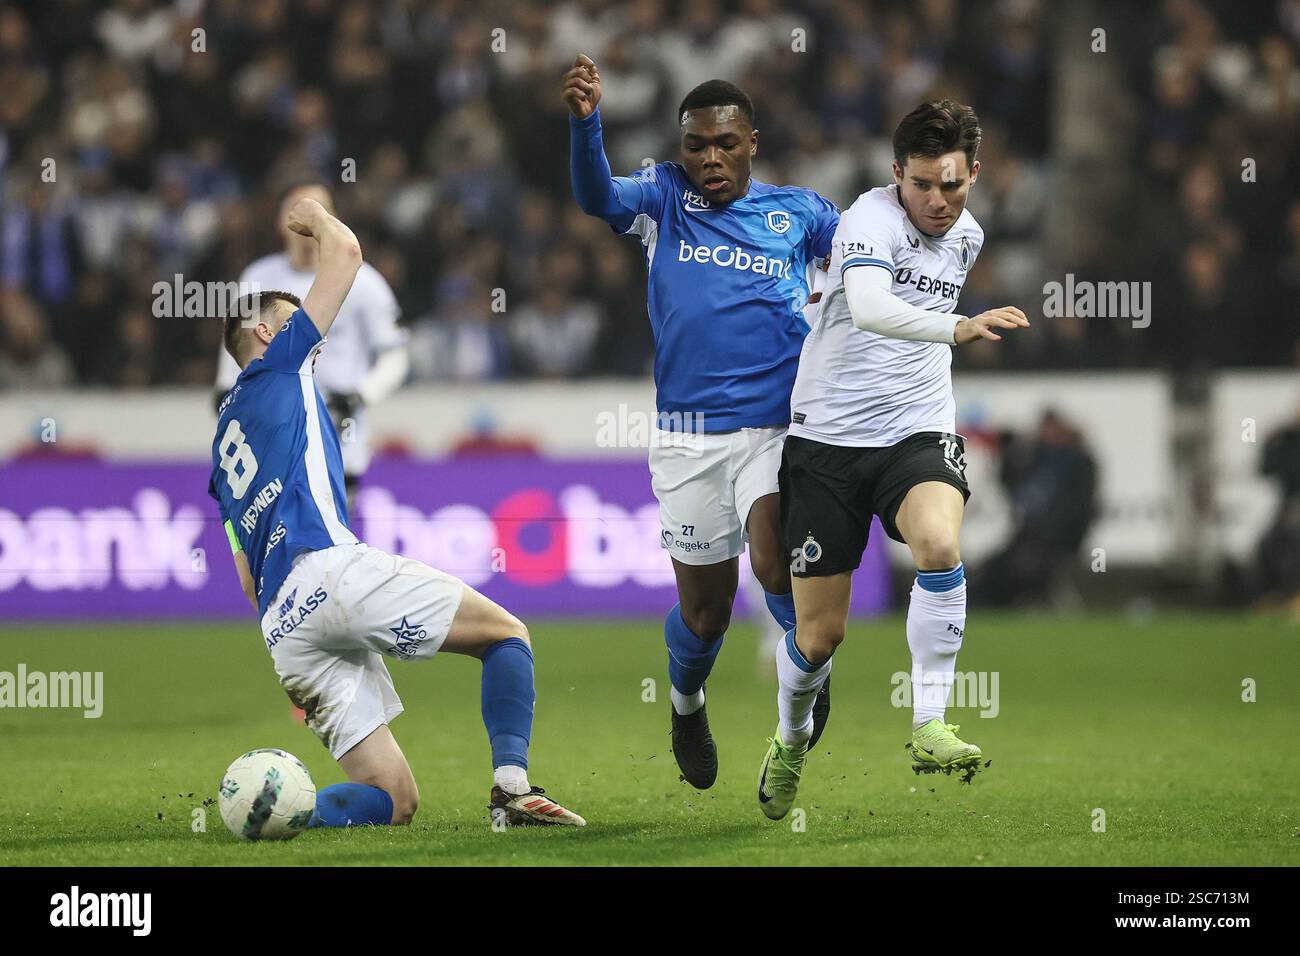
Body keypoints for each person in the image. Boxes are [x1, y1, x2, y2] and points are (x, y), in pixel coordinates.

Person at [209, 197, 584, 829]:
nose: (314, 341)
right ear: (268, 335)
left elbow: (247, 581)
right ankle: (512, 791)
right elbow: (347, 254)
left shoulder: (220, 451)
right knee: (507, 636)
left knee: (394, 801)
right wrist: (314, 214)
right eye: (295, 321)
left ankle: (269, 812)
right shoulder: (280, 366)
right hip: (328, 572)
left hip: (282, 628)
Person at [564, 54, 839, 789]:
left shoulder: (802, 214)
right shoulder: (662, 199)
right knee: (707, 614)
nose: (709, 159)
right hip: (687, 435)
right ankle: (687, 702)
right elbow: (594, 197)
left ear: (752, 140)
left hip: (778, 427)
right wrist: (586, 123)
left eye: (724, 143)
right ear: (680, 148)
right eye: (696, 146)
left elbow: (863, 266)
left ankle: (805, 661)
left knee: (776, 558)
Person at [757, 100, 1030, 820]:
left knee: (939, 543)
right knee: (820, 637)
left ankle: (929, 725)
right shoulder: (869, 220)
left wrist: (948, 334)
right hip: (828, 442)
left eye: (952, 185)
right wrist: (959, 326)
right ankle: (789, 740)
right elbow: (873, 307)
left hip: (916, 429)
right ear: (894, 175)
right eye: (920, 185)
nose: (936, 203)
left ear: (975, 173)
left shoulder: (966, 233)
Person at [214, 181, 408, 503]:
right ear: (280, 221)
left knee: (332, 539)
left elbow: (395, 354)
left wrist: (361, 395)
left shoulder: (364, 281)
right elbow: (234, 344)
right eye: (299, 209)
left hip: (338, 434)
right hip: (272, 438)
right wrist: (225, 387)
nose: (307, 220)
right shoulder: (258, 277)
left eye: (319, 210)